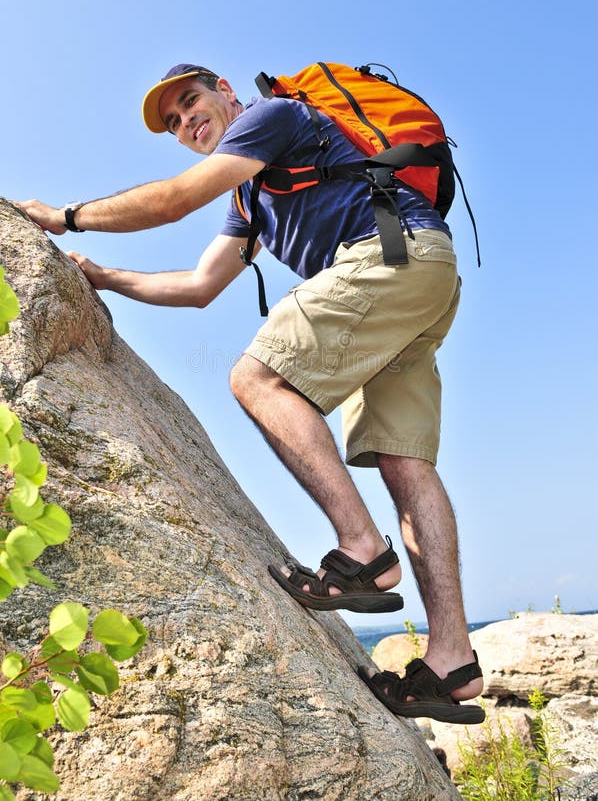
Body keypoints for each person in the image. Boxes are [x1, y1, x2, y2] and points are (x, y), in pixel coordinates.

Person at [16, 62, 484, 724]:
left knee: (255, 378)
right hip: (420, 272)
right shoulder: (250, 200)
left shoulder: (275, 118)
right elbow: (200, 286)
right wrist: (103, 276)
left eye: (191, 103)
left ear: (226, 92)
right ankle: (451, 662)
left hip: (384, 256)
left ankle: (363, 552)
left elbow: (175, 199)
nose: (186, 123)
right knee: (406, 462)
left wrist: (67, 217)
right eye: (174, 123)